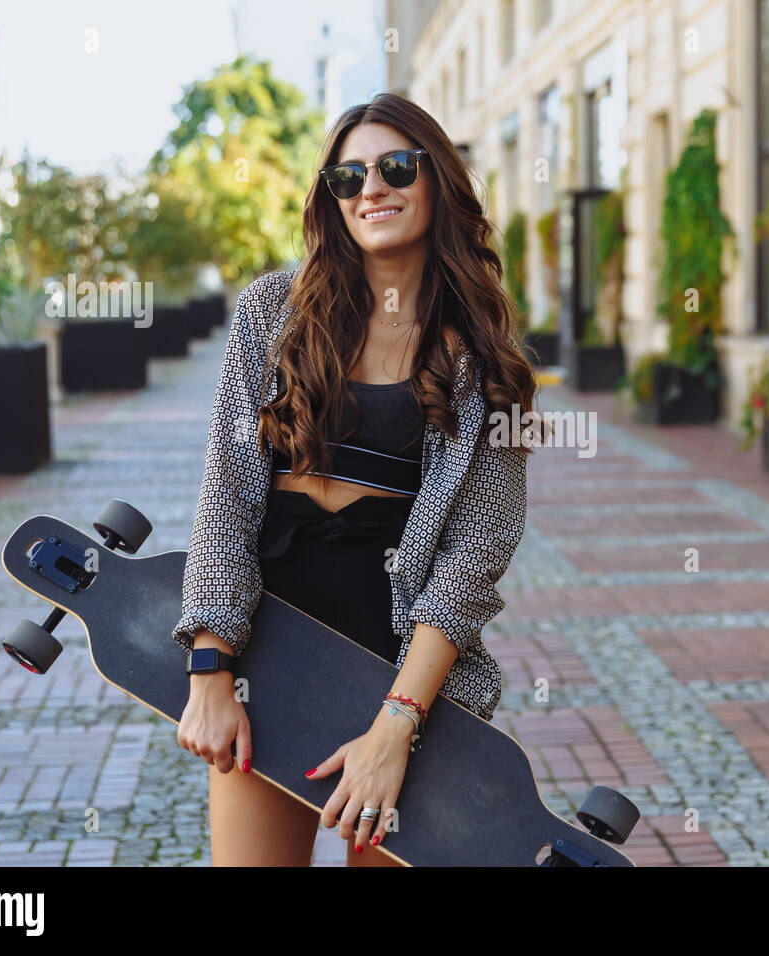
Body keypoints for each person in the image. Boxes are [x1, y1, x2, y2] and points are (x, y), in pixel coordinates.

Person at [170, 92, 538, 866]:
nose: (372, 188)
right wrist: (211, 668)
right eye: (348, 177)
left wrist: (396, 723)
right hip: (271, 658)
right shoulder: (270, 313)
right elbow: (227, 495)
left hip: (404, 671)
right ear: (332, 200)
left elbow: (472, 558)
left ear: (437, 181)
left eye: (396, 167)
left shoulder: (485, 355)